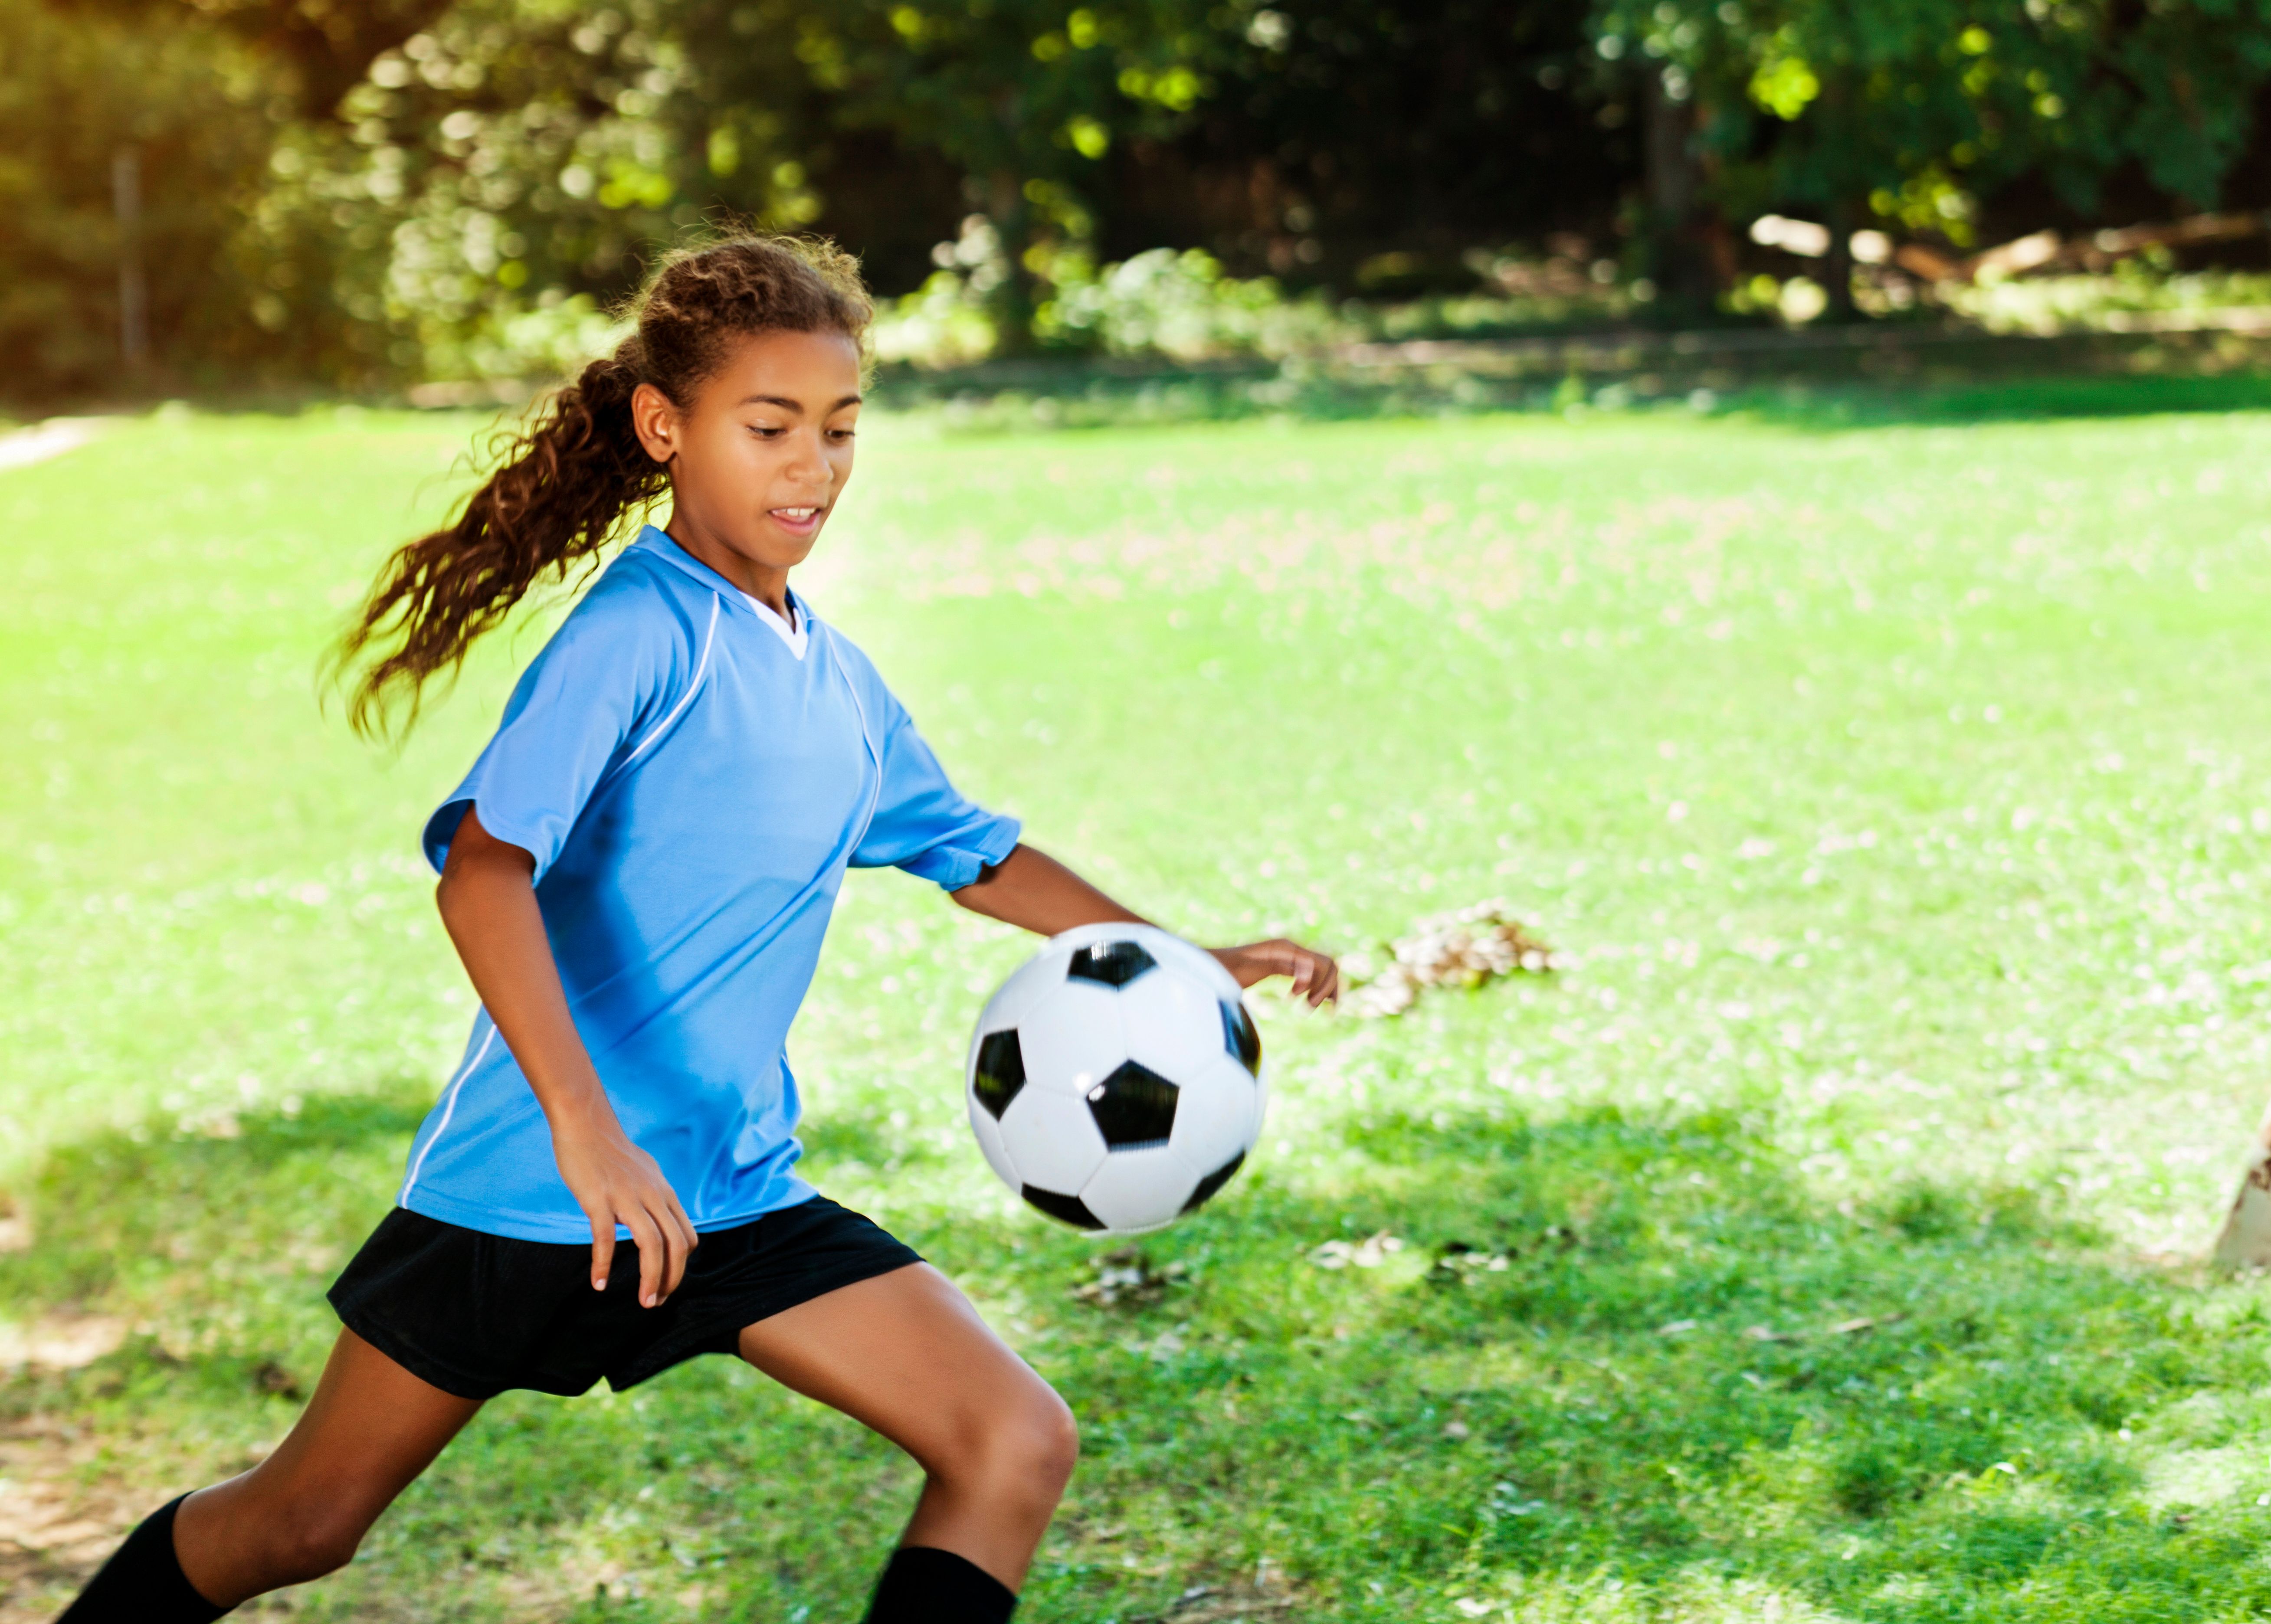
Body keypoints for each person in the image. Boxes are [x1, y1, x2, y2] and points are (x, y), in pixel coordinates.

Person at [58, 233, 1338, 1624]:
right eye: (770, 427)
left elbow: (972, 854)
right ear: (666, 428)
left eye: (841, 431)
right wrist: (585, 1130)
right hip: (538, 1194)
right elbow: (482, 873)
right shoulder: (635, 639)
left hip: (728, 1194)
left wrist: (1187, 958)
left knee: (1013, 1439)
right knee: (302, 1524)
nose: (814, 468)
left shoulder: (832, 677)